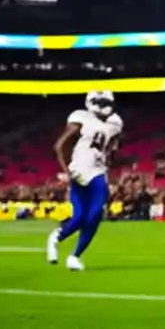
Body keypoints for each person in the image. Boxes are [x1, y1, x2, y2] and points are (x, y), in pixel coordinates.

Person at [46, 90, 122, 270]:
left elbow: (112, 148)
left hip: (98, 171)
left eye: (105, 102)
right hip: (79, 169)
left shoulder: (115, 122)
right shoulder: (81, 117)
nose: (103, 106)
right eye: (100, 102)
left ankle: (75, 256)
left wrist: (109, 162)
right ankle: (56, 237)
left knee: (95, 214)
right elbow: (59, 146)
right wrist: (66, 172)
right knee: (79, 217)